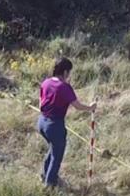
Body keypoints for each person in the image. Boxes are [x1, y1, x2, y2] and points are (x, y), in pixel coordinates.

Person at [37, 58, 97, 188]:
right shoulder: (64, 87)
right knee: (57, 156)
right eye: (69, 72)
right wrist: (91, 107)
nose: (69, 75)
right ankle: (49, 185)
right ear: (65, 72)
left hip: (41, 122)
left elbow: (41, 103)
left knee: (53, 149)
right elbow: (78, 106)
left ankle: (45, 175)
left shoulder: (46, 82)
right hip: (54, 125)